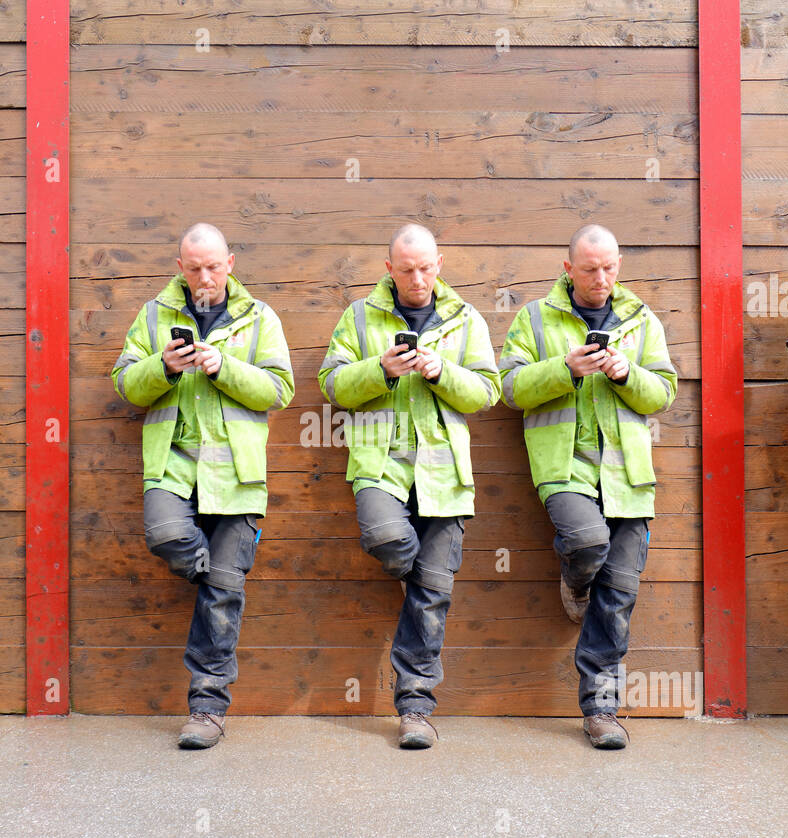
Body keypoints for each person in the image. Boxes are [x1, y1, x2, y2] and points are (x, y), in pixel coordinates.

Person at [111, 223, 294, 749]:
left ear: (230, 263)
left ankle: (207, 710)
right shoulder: (153, 315)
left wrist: (224, 368)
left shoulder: (260, 317)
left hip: (236, 475)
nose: (205, 277)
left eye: (213, 266)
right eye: (194, 268)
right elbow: (125, 383)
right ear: (180, 267)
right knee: (168, 537)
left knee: (222, 597)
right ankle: (214, 574)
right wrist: (163, 367)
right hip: (171, 465)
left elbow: (279, 390)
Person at [317, 223, 499, 748]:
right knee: (388, 540)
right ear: (388, 268)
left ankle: (415, 708)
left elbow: (488, 391)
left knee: (432, 595)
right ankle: (413, 575)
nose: (417, 279)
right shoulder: (359, 316)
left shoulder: (466, 319)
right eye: (406, 270)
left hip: (445, 474)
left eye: (424, 268)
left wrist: (443, 373)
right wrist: (380, 370)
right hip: (380, 466)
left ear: (439, 264)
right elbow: (331, 384)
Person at [498, 224, 677, 750]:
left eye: (610, 267)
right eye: (590, 269)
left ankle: (601, 710)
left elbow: (664, 392)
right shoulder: (535, 317)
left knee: (618, 595)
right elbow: (509, 387)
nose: (601, 278)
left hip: (627, 474)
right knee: (586, 542)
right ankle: (576, 582)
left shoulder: (641, 319)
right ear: (568, 268)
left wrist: (626, 375)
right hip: (564, 466)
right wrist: (564, 369)